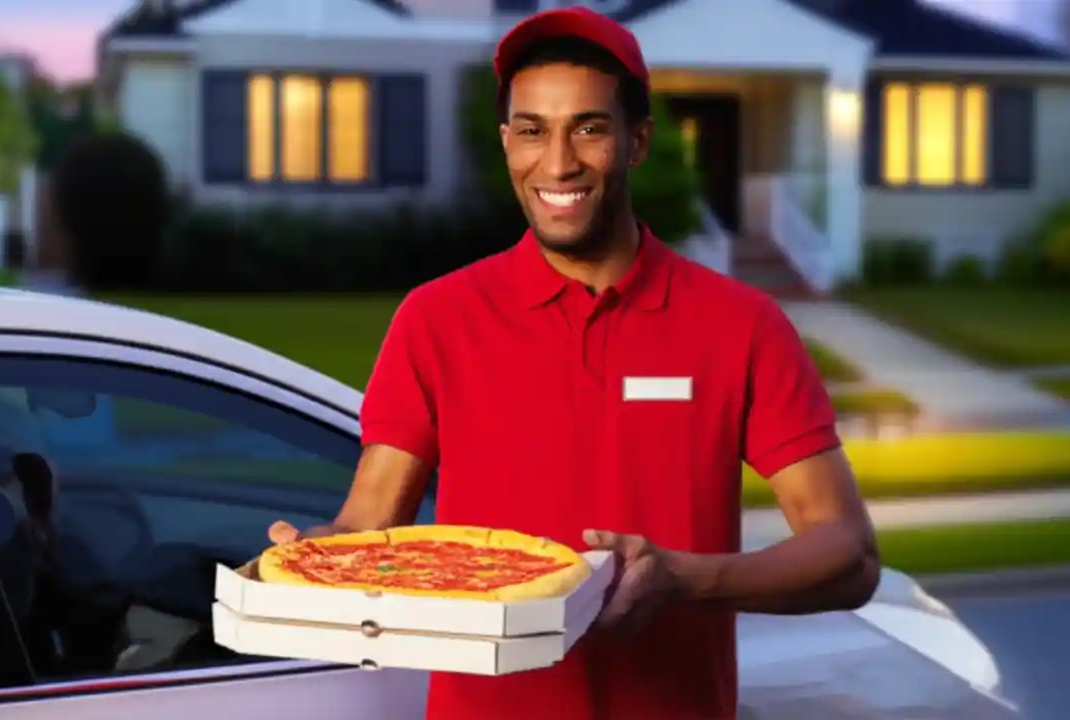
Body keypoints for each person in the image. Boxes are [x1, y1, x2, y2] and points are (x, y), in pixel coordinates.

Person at [268, 7, 879, 719]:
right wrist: (315, 559)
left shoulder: (742, 326)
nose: (557, 163)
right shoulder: (435, 320)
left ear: (637, 140)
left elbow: (849, 555)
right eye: (532, 131)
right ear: (506, 143)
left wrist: (684, 579)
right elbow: (366, 526)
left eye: (588, 127)